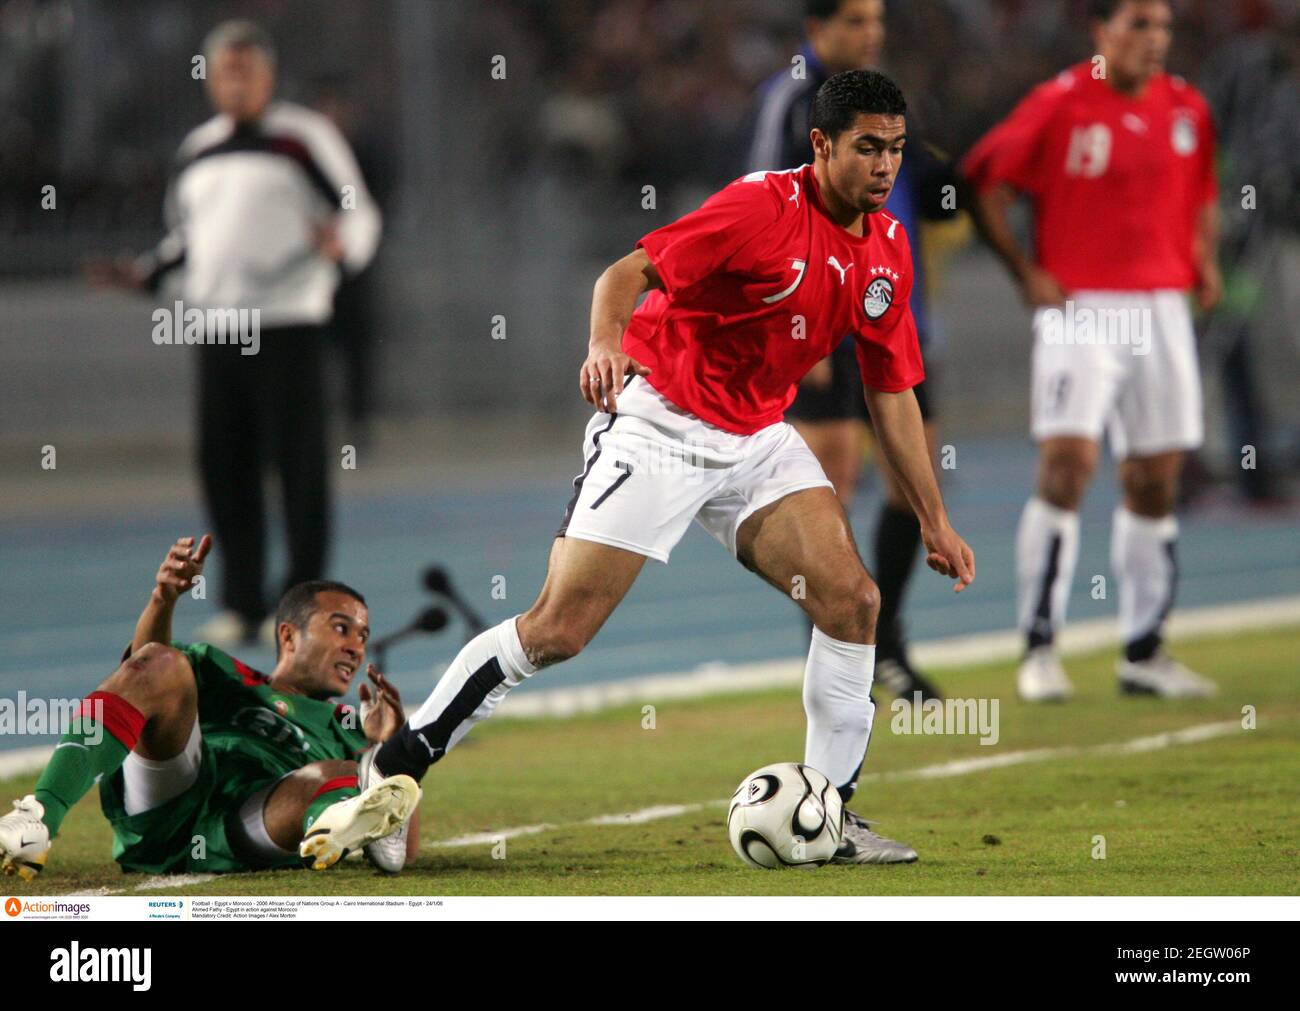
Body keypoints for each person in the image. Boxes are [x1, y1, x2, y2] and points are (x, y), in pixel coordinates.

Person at [371, 70, 975, 865]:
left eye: (896, 150)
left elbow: (892, 391)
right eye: (868, 148)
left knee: (853, 599)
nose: (886, 166)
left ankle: (828, 814)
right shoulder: (761, 208)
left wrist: (933, 517)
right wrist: (603, 343)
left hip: (757, 437)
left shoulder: (890, 248)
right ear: (822, 145)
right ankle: (396, 764)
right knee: (559, 629)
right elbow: (625, 274)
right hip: (659, 421)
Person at [87, 20, 382, 647]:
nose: (237, 81)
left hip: (290, 323)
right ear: (210, 79)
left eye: (248, 69)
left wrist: (344, 247)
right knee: (226, 468)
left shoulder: (304, 137)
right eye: (225, 71)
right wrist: (139, 275)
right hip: (218, 326)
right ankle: (243, 603)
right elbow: (185, 245)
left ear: (268, 75)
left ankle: (304, 610)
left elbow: (358, 211)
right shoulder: (197, 150)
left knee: (300, 470)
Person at [962, 0, 1220, 701]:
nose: (1154, 39)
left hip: (1162, 306)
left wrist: (1204, 259)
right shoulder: (1059, 101)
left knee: (1155, 479)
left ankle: (1143, 650)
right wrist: (1024, 271)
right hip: (1082, 308)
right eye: (1138, 23)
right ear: (1102, 32)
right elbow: (984, 180)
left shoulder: (1187, 107)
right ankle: (1039, 646)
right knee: (1068, 465)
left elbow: (1201, 195)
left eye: (1163, 26)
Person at [748, 0, 959, 700]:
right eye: (857, 21)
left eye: (877, 20)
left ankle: (887, 638)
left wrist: (954, 190)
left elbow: (924, 193)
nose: (873, 33)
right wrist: (797, 328)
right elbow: (764, 206)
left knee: (913, 476)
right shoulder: (791, 101)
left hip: (894, 316)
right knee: (831, 485)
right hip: (818, 326)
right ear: (818, 29)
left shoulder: (887, 104)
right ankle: (835, 654)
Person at [0, 535, 418, 881]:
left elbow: (404, 851)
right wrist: (163, 598)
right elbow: (142, 665)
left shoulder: (352, 728)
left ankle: (329, 823)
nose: (356, 647)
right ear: (289, 636)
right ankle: (39, 817)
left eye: (363, 636)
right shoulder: (223, 672)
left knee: (339, 776)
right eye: (341, 628)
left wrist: (393, 750)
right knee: (160, 662)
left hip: (255, 822)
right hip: (177, 794)